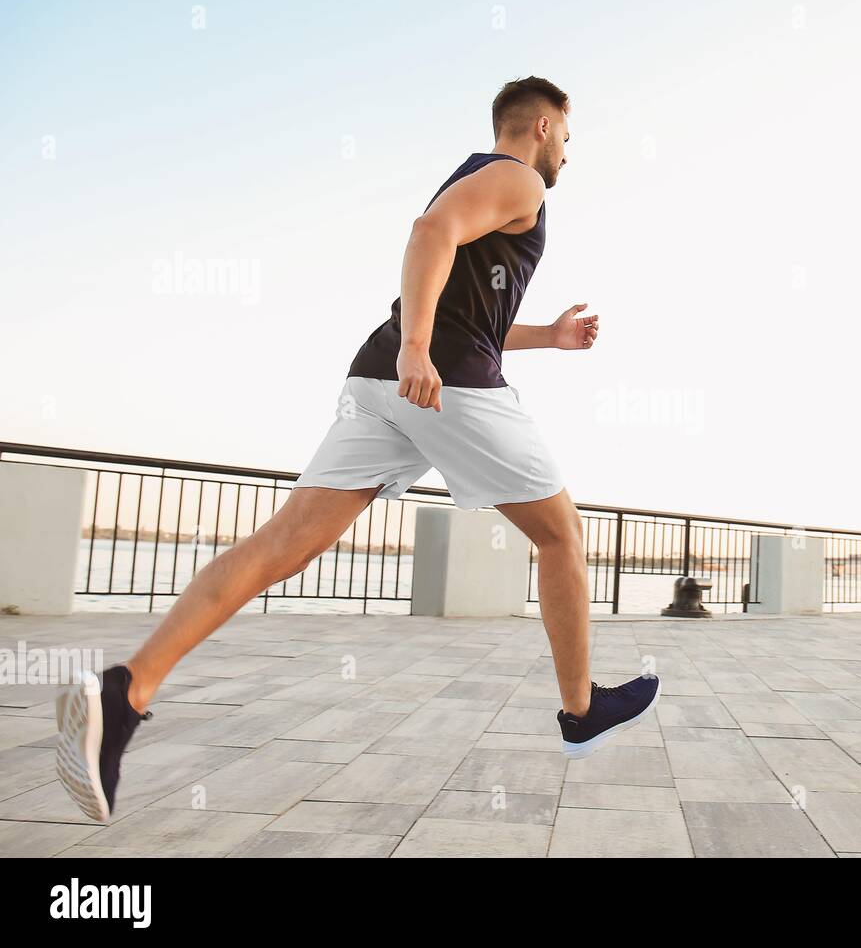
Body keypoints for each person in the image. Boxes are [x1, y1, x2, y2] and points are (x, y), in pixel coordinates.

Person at [55, 76, 661, 824]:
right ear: (541, 126)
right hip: (441, 383)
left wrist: (546, 336)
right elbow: (426, 236)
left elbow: (463, 306)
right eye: (568, 136)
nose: (570, 152)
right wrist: (417, 348)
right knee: (562, 533)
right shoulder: (519, 180)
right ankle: (581, 710)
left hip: (384, 378)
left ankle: (126, 691)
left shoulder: (479, 179)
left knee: (281, 543)